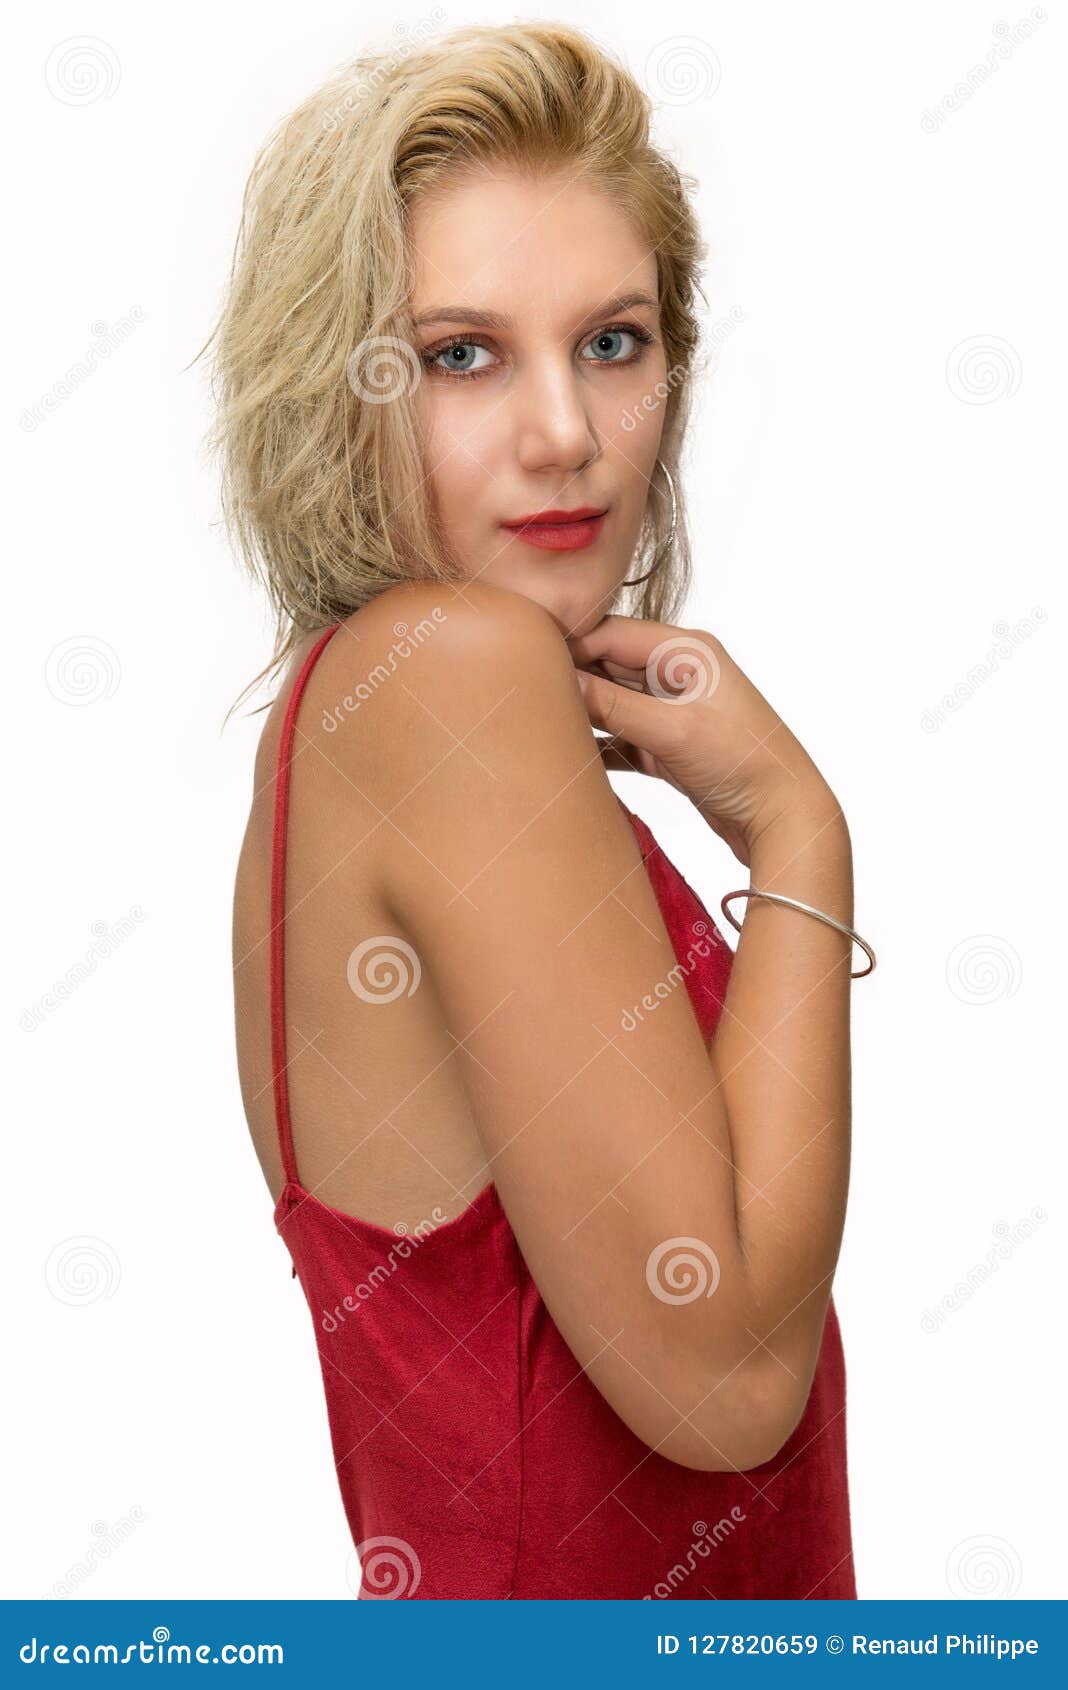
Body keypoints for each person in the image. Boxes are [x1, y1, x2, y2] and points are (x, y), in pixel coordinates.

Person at [213, 20, 864, 1600]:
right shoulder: (447, 680)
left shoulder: (360, 722)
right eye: (460, 354)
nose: (565, 431)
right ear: (335, 385)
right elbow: (727, 1381)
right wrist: (795, 831)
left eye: (615, 341)